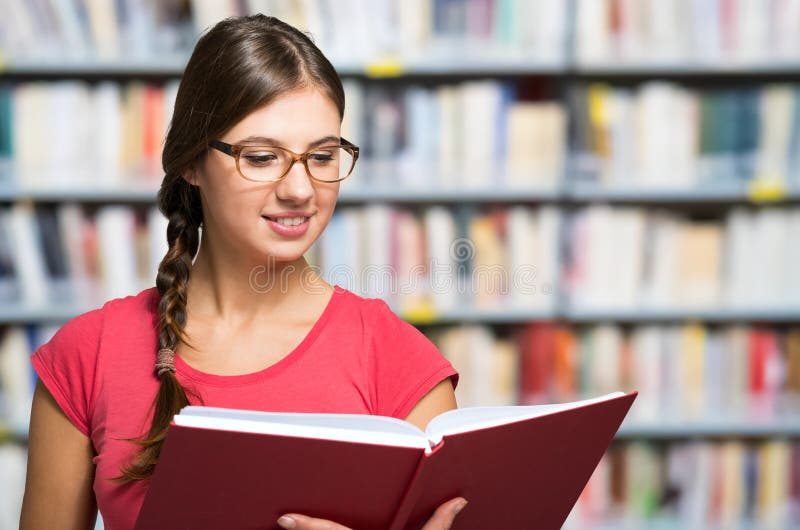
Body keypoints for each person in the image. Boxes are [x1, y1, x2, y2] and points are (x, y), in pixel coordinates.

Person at [20, 14, 466, 530]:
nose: (300, 189)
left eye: (322, 156)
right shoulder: (86, 357)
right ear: (190, 162)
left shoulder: (400, 365)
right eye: (261, 157)